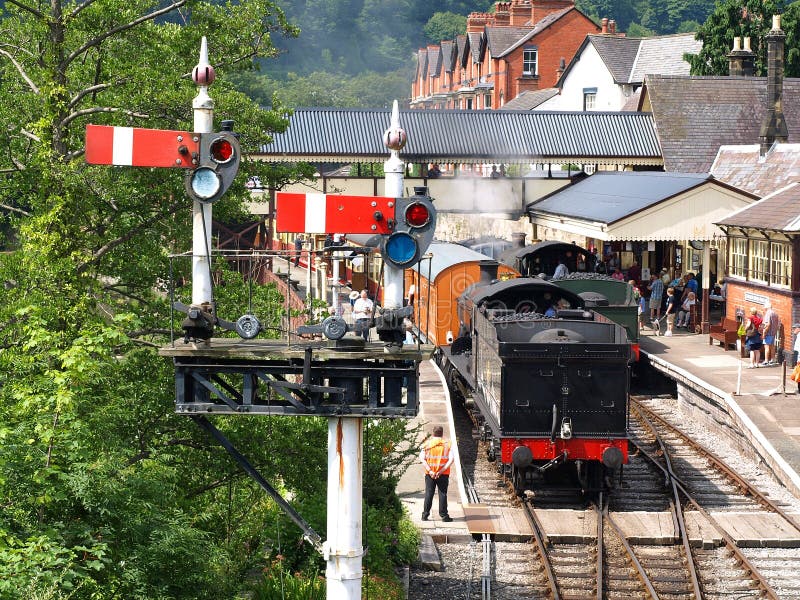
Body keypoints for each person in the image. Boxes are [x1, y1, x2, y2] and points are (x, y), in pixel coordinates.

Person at [419, 425, 454, 522]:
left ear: (433, 433)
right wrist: (440, 471)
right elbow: (451, 460)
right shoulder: (447, 445)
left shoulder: (427, 444)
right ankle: (444, 516)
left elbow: (422, 458)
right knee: (442, 493)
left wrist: (430, 471)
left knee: (429, 493)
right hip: (443, 474)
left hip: (429, 474)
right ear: (442, 433)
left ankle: (425, 515)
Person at [760, 301, 780, 366]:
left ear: (766, 307)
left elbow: (767, 324)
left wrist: (764, 333)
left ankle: (766, 360)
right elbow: (778, 324)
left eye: (764, 307)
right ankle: (773, 359)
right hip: (773, 333)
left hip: (768, 333)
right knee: (772, 346)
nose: (764, 309)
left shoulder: (768, 313)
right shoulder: (775, 313)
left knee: (766, 347)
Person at [792, 323, 800, 392]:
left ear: (798, 329)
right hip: (797, 356)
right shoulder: (798, 336)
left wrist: (798, 359)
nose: (793, 330)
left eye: (794, 328)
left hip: (799, 358)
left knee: (799, 374)